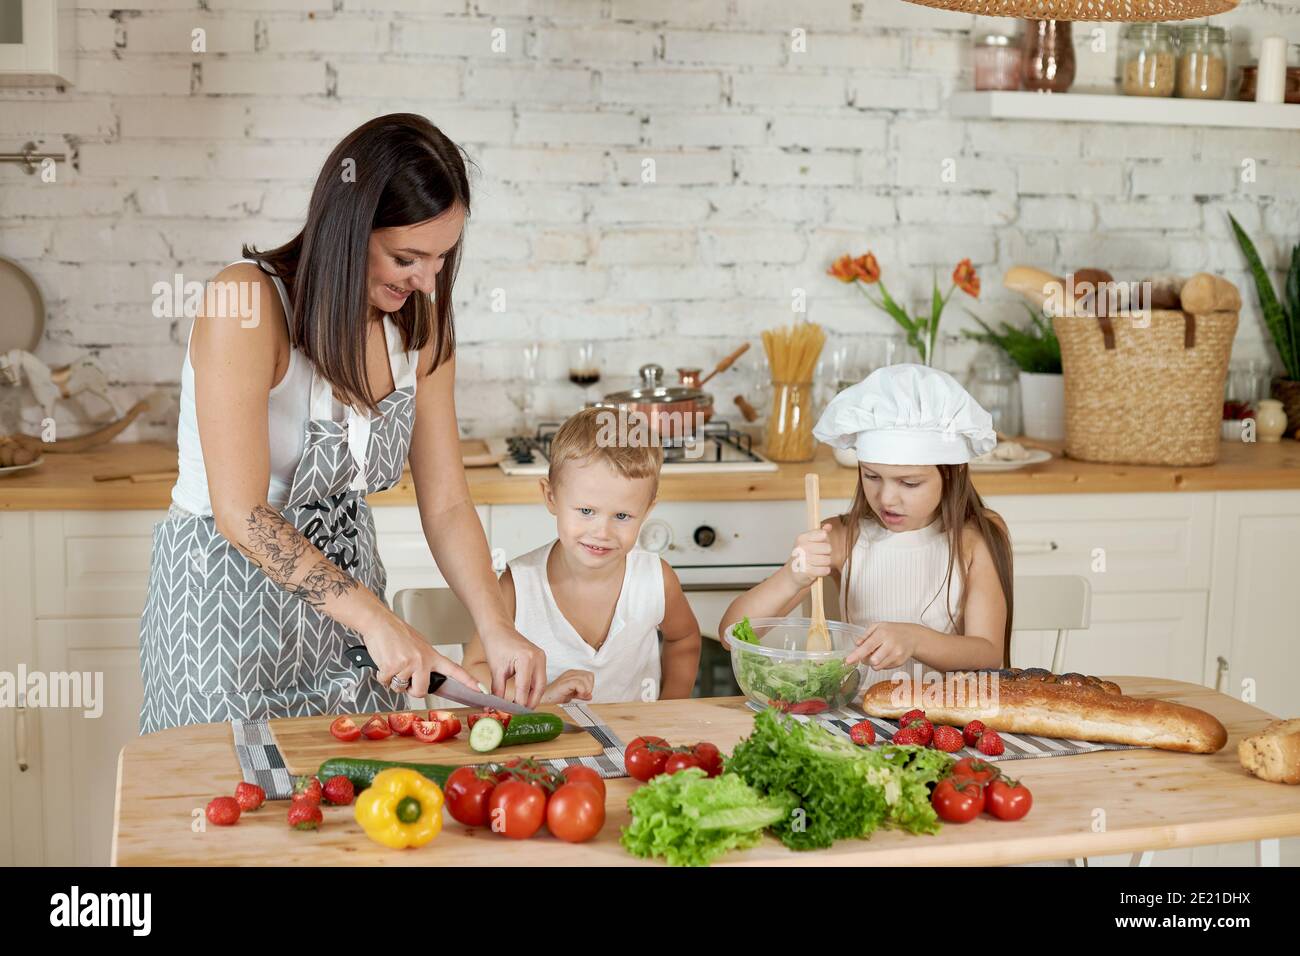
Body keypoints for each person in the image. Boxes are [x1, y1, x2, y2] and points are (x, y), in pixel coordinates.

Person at [138, 114, 547, 734]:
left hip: (352, 612)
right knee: (241, 810)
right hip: (222, 613)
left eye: (442, 258)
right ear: (348, 230)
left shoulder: (420, 326)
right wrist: (380, 621)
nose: (427, 280)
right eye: (407, 257)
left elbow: (447, 505)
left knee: (355, 807)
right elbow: (243, 513)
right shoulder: (245, 304)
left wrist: (495, 624)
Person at [719, 364, 1014, 686]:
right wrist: (793, 577)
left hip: (947, 719)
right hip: (858, 717)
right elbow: (730, 633)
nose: (886, 498)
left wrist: (916, 639)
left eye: (909, 483)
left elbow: (987, 654)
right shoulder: (841, 537)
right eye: (872, 476)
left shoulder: (974, 538)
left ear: (952, 473)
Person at [461, 407, 701, 704]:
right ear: (551, 497)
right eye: (586, 511)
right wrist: (544, 696)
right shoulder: (518, 584)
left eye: (623, 515)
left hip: (637, 745)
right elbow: (475, 670)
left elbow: (684, 639)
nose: (602, 531)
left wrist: (671, 707)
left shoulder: (655, 579)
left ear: (647, 511)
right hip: (547, 746)